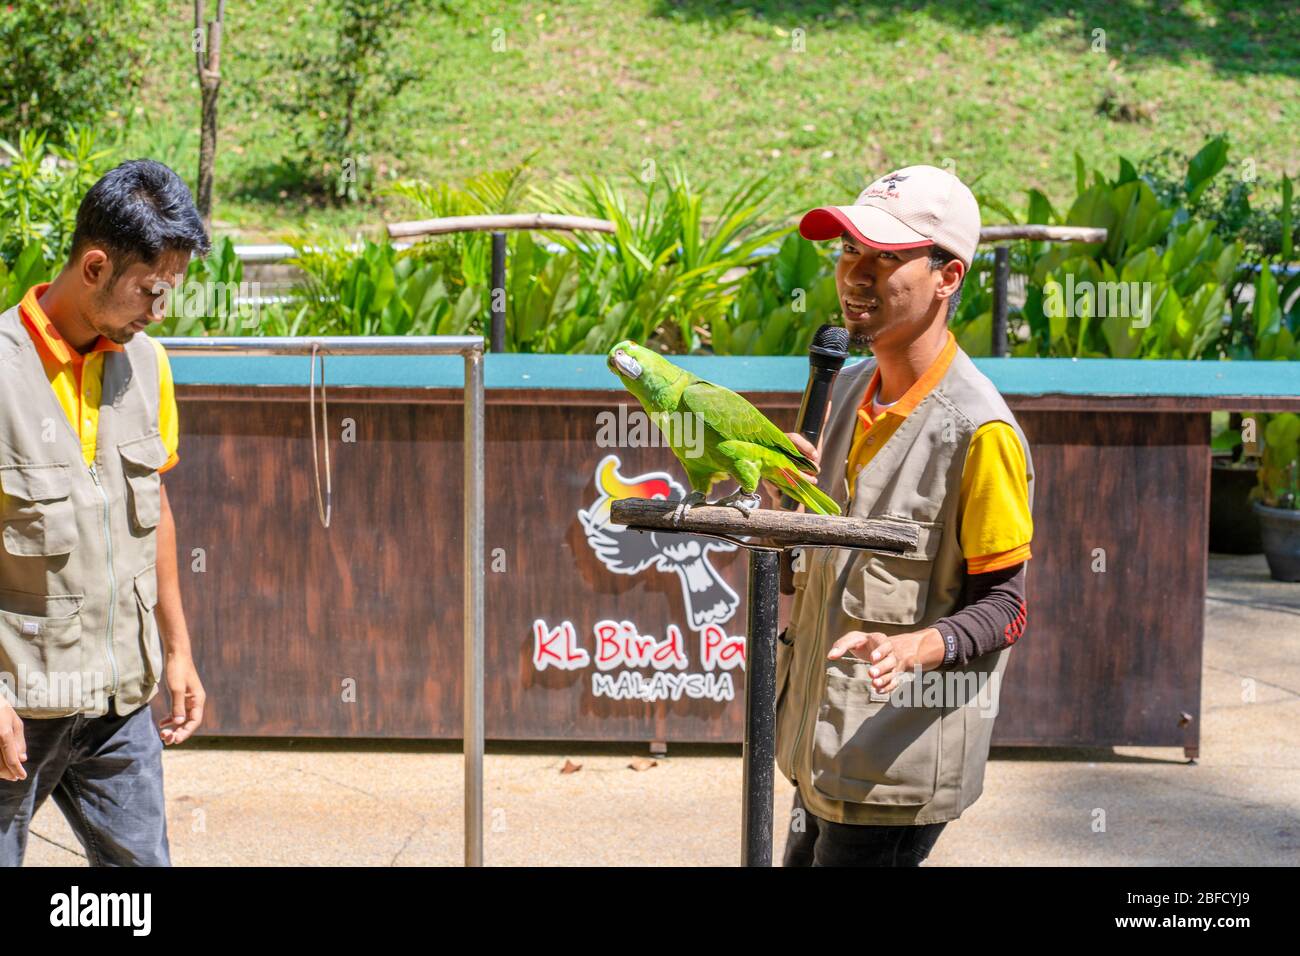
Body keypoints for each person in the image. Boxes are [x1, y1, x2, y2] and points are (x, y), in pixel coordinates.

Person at [761, 165, 1034, 867]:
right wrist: (777, 511)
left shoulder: (981, 433)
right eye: (850, 252)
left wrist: (911, 648)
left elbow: (1006, 608)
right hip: (817, 744)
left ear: (947, 277)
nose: (857, 275)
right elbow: (798, 578)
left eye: (886, 258)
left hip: (893, 766)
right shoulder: (843, 392)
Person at [0, 159, 208, 866]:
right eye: (151, 290)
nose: (159, 309)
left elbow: (155, 509)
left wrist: (177, 649)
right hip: (18, 702)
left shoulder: (146, 364)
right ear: (94, 266)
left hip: (119, 704)